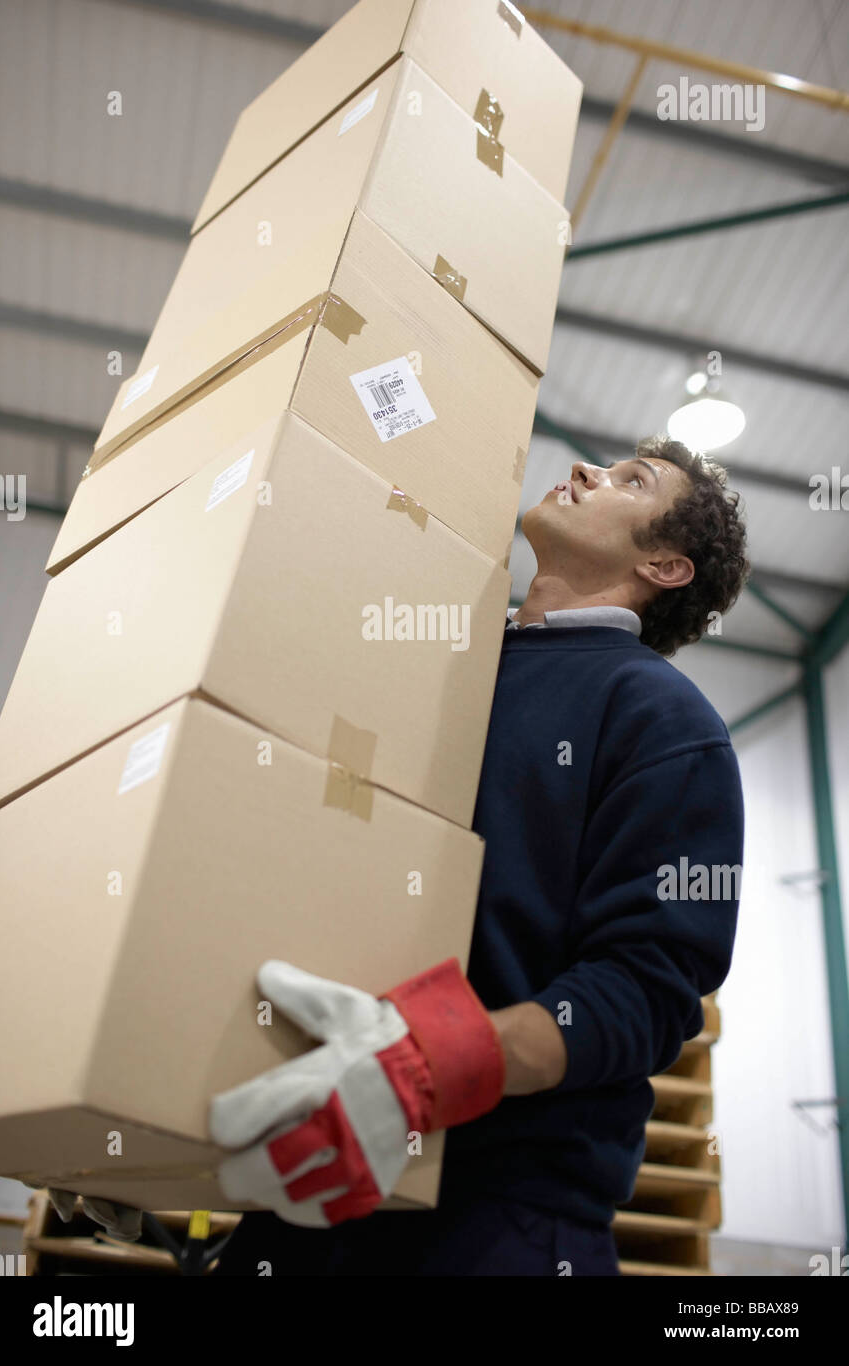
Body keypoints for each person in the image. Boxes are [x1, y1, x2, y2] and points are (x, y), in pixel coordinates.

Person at [68, 435, 752, 1274]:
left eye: (629, 480)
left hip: (495, 1223)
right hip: (312, 1200)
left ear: (669, 568)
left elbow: (643, 986)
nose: (583, 470)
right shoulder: (435, 671)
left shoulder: (663, 719)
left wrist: (431, 1066)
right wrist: (147, 1117)